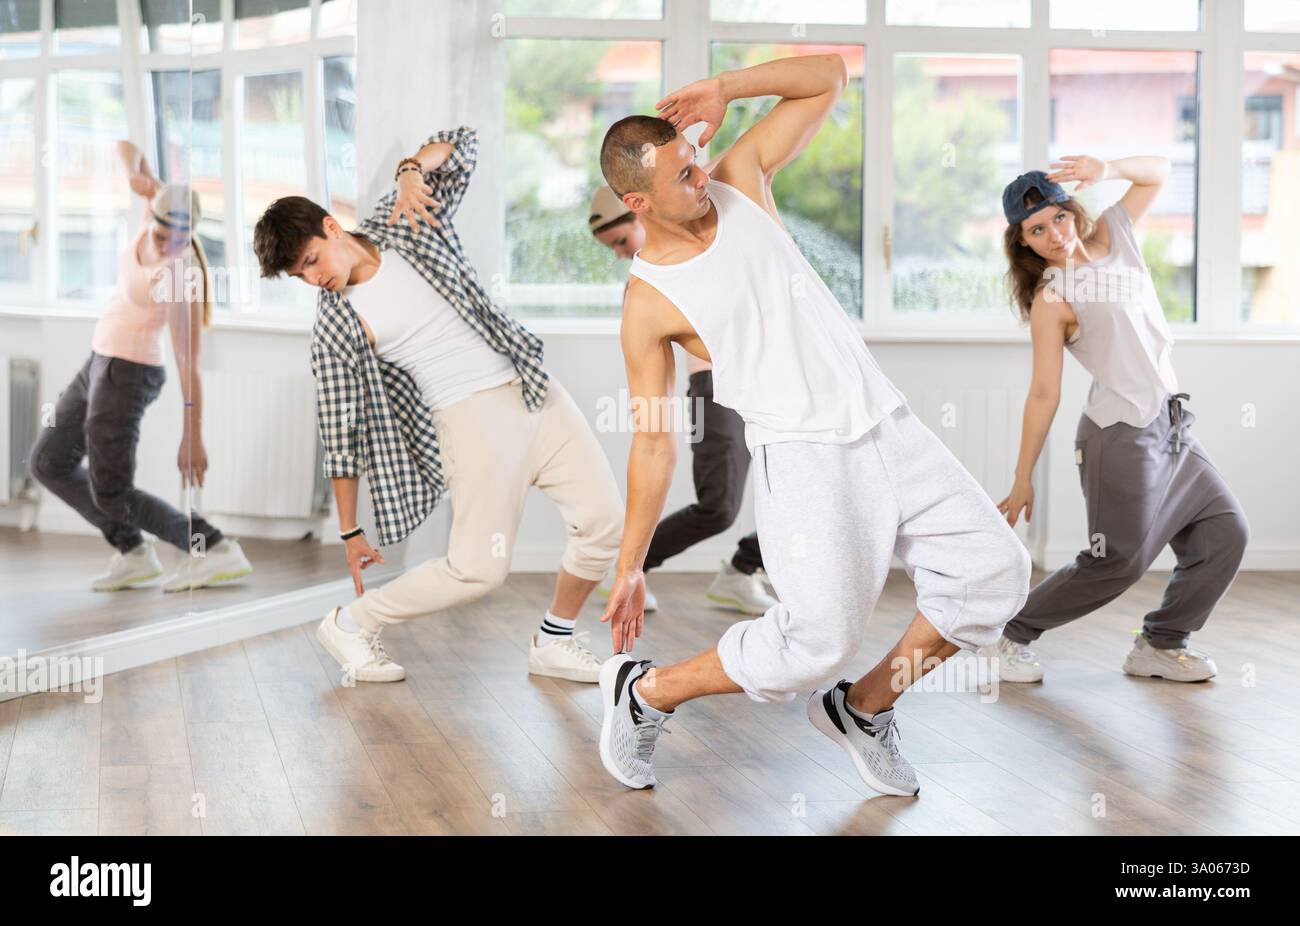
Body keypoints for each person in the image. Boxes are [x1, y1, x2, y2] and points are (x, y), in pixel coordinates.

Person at [593, 54, 1031, 794]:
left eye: (696, 164)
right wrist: (633, 561)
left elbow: (828, 75)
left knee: (997, 570)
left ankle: (864, 710)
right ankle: (646, 693)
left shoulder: (739, 183)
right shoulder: (649, 304)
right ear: (638, 202)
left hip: (886, 422)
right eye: (681, 178)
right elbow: (654, 439)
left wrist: (725, 87)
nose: (701, 180)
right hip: (802, 456)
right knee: (814, 645)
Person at [253, 126, 624, 685]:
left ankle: (555, 639)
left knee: (604, 522)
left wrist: (409, 171)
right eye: (300, 275)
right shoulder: (336, 325)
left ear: (332, 227)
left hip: (534, 389)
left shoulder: (403, 222)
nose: (314, 278)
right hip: (472, 422)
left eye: (311, 260)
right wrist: (351, 531)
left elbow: (462, 141)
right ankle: (352, 622)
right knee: (479, 571)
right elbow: (340, 432)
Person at [989, 159, 1249, 684]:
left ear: (1071, 211)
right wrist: (1022, 476)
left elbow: (1157, 172)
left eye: (1057, 218)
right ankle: (1009, 635)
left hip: (1173, 427)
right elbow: (1044, 392)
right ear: (1024, 244)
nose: (1052, 235)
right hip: (1119, 437)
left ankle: (1160, 644)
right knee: (1117, 560)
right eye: (1035, 231)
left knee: (1225, 533)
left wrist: (1106, 166)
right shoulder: (1053, 298)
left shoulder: (1116, 232)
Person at [30, 141, 251, 593]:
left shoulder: (178, 272)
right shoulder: (157, 203)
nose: (166, 243)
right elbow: (125, 145)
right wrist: (137, 173)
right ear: (152, 214)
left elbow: (189, 362)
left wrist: (193, 435)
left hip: (130, 375)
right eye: (160, 233)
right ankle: (133, 551)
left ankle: (212, 547)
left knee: (111, 489)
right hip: (99, 361)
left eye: (178, 239)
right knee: (48, 461)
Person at [588, 184, 776, 616]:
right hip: (715, 391)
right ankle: (630, 567)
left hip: (766, 385)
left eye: (620, 241)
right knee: (718, 508)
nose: (620, 253)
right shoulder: (645, 289)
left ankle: (743, 568)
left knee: (807, 489)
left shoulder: (709, 241)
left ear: (642, 214)